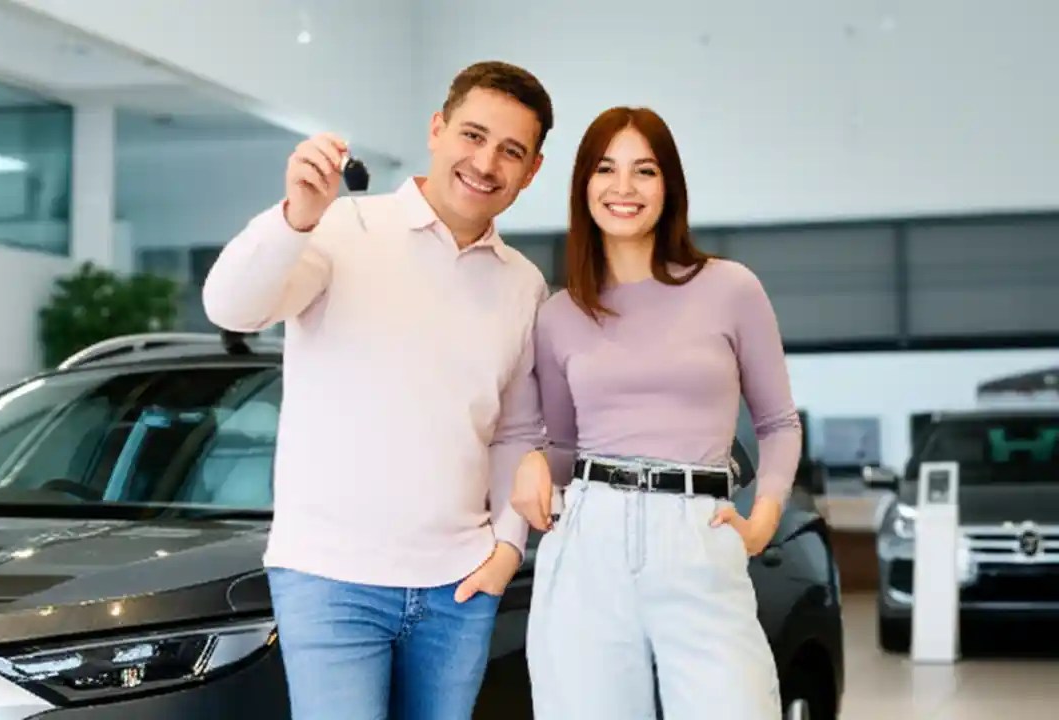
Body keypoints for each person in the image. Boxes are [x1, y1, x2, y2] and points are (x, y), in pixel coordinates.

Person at [201, 61, 554, 720]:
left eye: (511, 150)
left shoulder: (523, 283)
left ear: (532, 170)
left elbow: (516, 431)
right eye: (472, 136)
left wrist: (507, 551)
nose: (486, 162)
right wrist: (296, 217)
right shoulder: (340, 229)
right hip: (331, 580)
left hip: (460, 584)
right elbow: (231, 307)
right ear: (437, 130)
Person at [510, 106, 802, 718]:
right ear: (583, 186)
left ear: (669, 185)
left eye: (644, 170)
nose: (623, 188)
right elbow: (564, 446)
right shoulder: (559, 316)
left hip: (697, 532)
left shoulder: (730, 288)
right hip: (589, 539)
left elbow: (778, 423)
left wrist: (764, 517)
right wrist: (536, 461)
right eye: (606, 169)